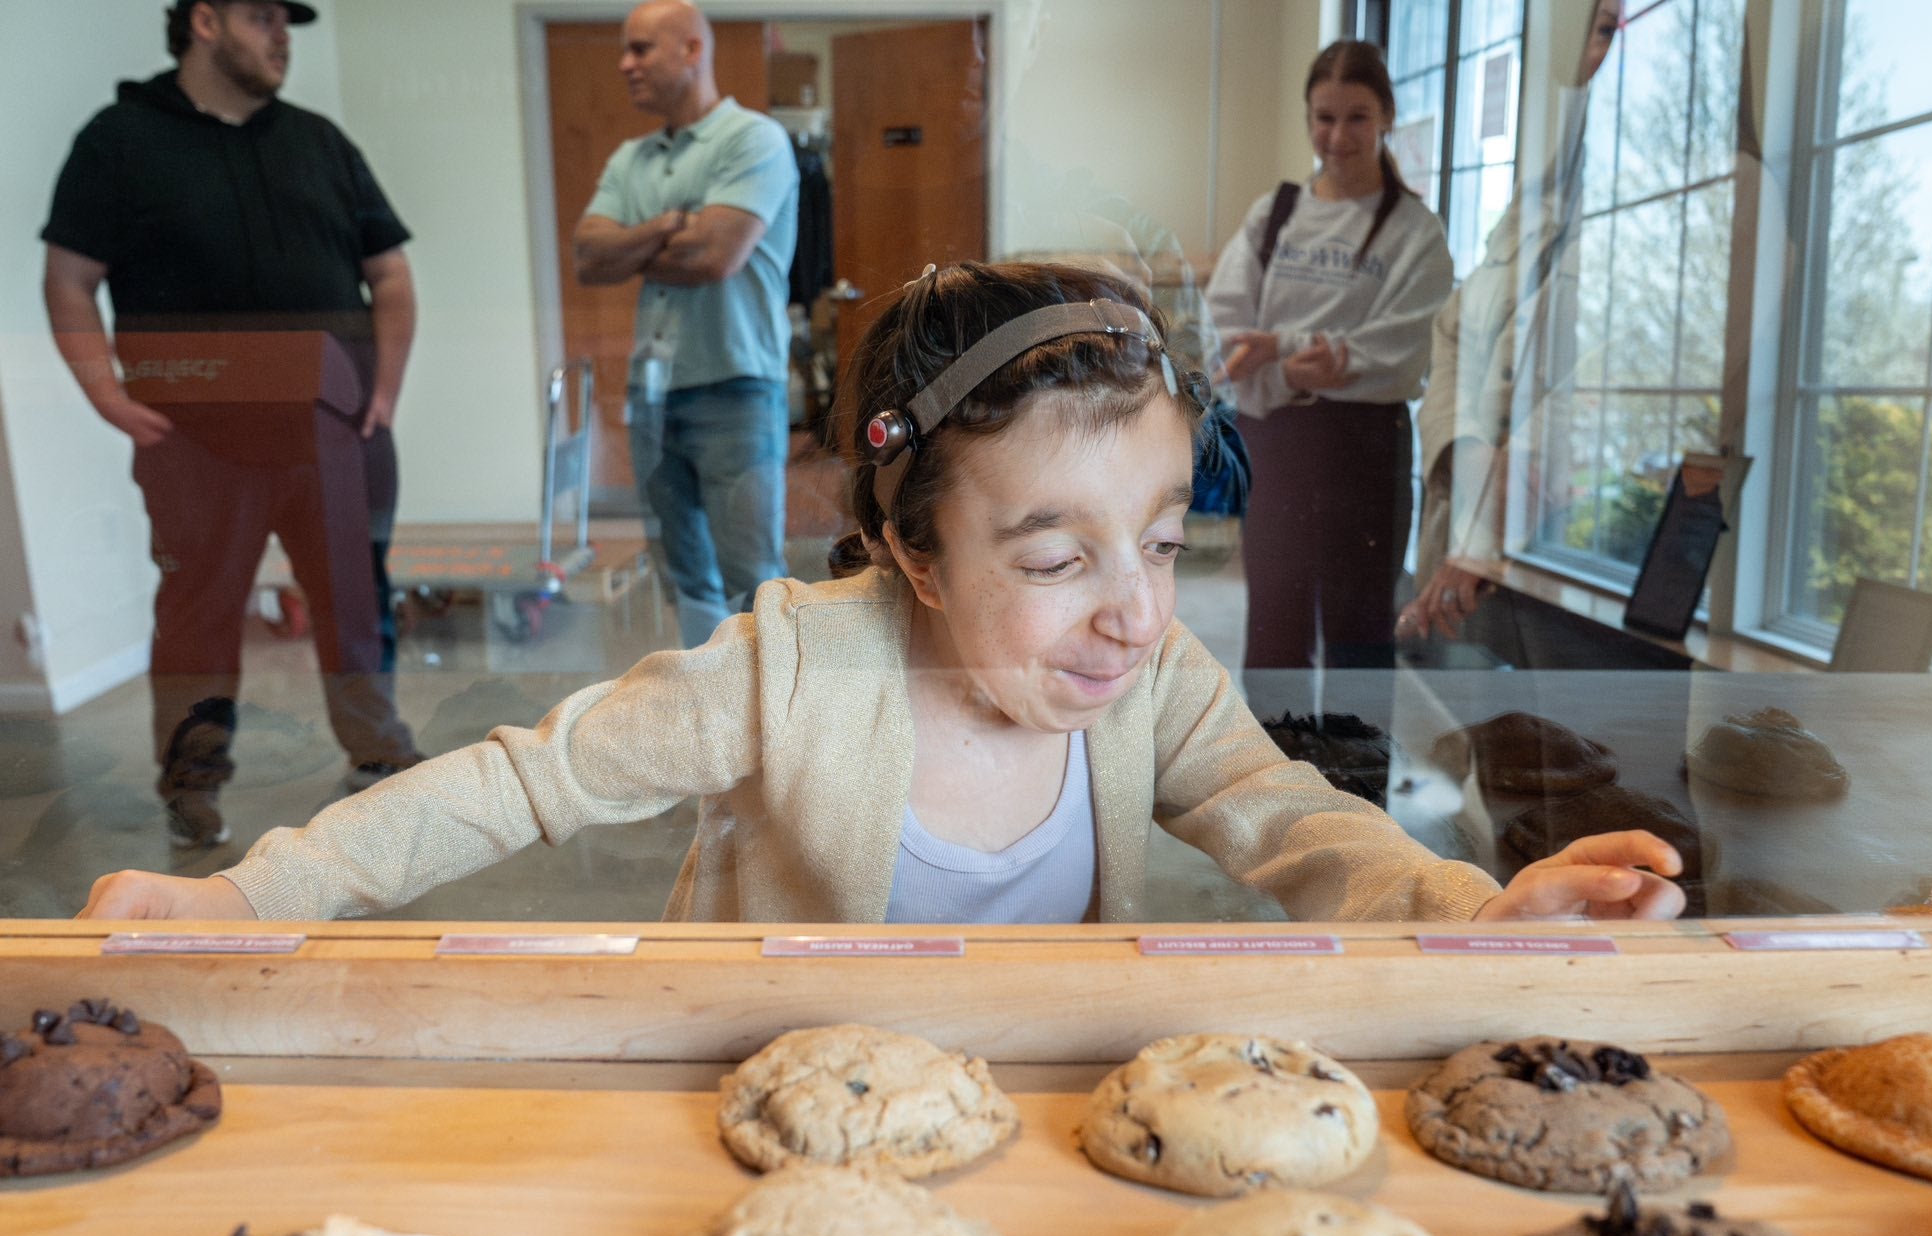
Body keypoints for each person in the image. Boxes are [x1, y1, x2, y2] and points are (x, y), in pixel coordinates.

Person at [77, 261, 1685, 926]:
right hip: (778, 1129)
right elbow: (516, 781)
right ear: (911, 550)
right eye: (1055, 558)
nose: (1133, 609)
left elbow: (1297, 822)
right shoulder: (794, 670)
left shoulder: (1150, 677)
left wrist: (1476, 910)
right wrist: (242, 899)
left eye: (1164, 538)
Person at [41, 0, 423, 852]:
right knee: (199, 615)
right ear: (205, 21)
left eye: (288, 20)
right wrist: (104, 394)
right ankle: (193, 782)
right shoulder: (119, 142)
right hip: (197, 440)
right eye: (262, 16)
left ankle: (379, 752)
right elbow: (69, 278)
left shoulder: (320, 142)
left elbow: (390, 274)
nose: (283, 33)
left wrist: (384, 391)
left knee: (356, 597)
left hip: (337, 428)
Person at [1207, 40, 1453, 675]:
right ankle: (1276, 775)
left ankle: (1357, 778)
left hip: (1366, 447)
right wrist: (1289, 370)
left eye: (1357, 117)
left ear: (1388, 117)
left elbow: (1399, 352)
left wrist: (1282, 348)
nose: (1338, 136)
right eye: (1324, 117)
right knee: (1275, 628)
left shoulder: (1415, 232)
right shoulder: (1276, 213)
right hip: (1276, 440)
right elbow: (1227, 327)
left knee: (1360, 634)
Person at [571, 0, 800, 649]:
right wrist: (666, 227)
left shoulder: (754, 140)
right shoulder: (631, 158)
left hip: (738, 386)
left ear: (692, 51)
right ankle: (710, 708)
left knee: (752, 575)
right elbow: (589, 257)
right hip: (653, 391)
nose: (625, 65)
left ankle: (775, 723)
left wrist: (635, 242)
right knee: (682, 572)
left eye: (640, 49)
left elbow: (712, 255)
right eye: (626, 50)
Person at [1403, 0, 1623, 643]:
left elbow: (1590, 371)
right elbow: (1452, 331)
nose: (1592, 52)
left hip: (1552, 532)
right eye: (1580, 31)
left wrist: (1500, 496)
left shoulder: (1630, 188)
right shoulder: (1535, 195)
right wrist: (1469, 449)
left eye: (1608, 29)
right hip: (1475, 515)